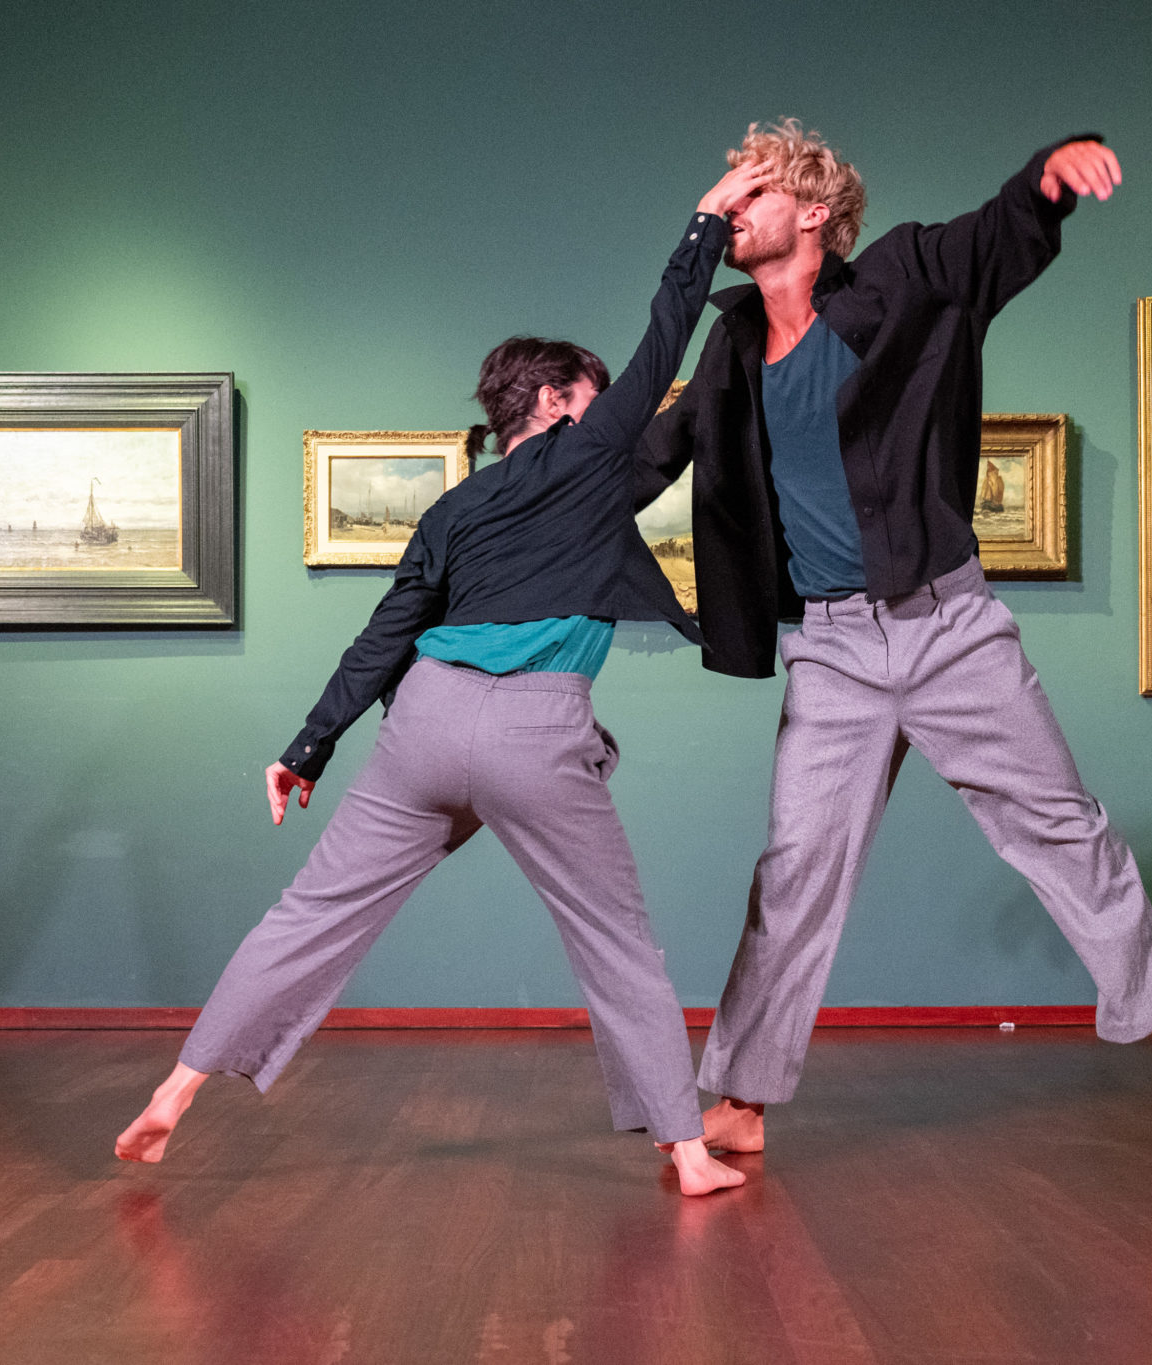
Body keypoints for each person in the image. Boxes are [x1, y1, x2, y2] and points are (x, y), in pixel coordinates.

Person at [115, 157, 776, 1195]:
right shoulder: (590, 450)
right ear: (557, 401)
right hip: (534, 733)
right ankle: (687, 1153)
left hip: (420, 727)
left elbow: (382, 637)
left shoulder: (450, 509)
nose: (612, 414)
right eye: (596, 398)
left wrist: (304, 750)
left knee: (307, 915)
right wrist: (704, 225)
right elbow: (669, 329)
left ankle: (176, 1089)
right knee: (615, 941)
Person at [636, 120, 1152, 1158]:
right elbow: (643, 458)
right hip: (833, 651)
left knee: (1065, 834)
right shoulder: (729, 346)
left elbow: (994, 239)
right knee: (794, 874)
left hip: (949, 626)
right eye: (724, 195)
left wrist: (1048, 177)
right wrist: (526, 513)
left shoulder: (902, 278)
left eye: (750, 191)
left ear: (813, 211)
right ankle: (743, 1101)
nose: (728, 208)